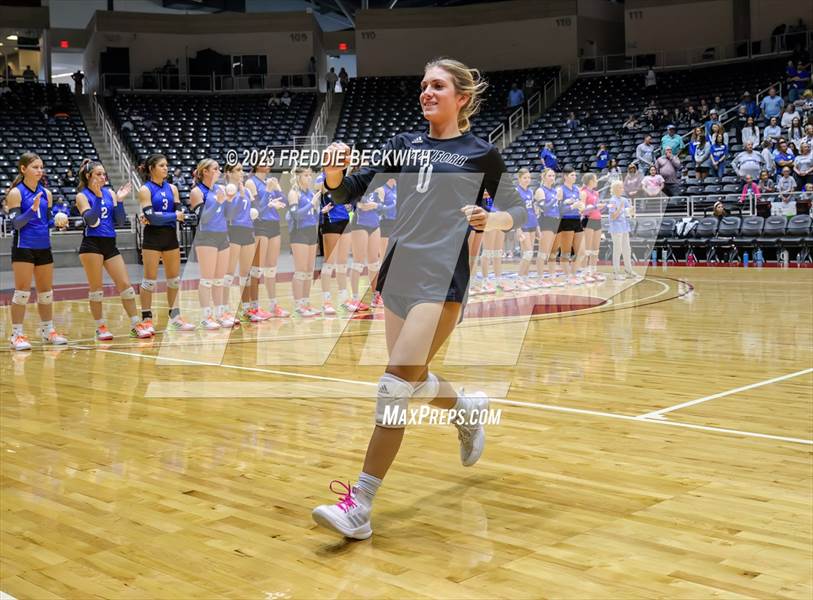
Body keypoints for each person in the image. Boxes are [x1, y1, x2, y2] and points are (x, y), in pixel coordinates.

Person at [311, 58, 525, 540]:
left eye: (438, 86)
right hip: (399, 273)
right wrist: (333, 173)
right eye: (423, 86)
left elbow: (518, 210)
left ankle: (359, 506)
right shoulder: (403, 146)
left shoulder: (480, 154)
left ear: (461, 97)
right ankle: (467, 410)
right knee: (413, 379)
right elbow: (349, 191)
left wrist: (493, 221)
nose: (427, 92)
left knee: (393, 388)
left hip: (442, 277)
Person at [74, 159, 149, 340]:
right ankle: (100, 326)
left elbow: (121, 221)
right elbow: (91, 221)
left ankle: (135, 324)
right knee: (96, 289)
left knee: (126, 286)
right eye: (98, 174)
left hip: (110, 244)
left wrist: (120, 201)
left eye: (103, 174)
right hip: (91, 244)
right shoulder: (82, 196)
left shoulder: (110, 193)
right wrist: (98, 197)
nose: (103, 177)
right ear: (88, 176)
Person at [6, 152, 68, 350]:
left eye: (41, 167)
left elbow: (45, 221)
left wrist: (58, 221)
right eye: (35, 167)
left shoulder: (47, 194)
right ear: (23, 169)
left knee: (46, 293)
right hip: (24, 247)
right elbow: (16, 223)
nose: (40, 171)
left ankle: (47, 330)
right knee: (22, 293)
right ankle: (16, 334)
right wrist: (31, 210)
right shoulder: (16, 193)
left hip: (44, 247)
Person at [137, 154, 195, 333]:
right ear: (151, 168)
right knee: (149, 282)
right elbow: (152, 217)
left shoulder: (172, 188)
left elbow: (179, 212)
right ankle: (147, 319)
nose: (166, 168)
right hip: (152, 237)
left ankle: (175, 316)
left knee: (174, 280)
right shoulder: (145, 189)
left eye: (166, 165)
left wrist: (172, 216)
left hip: (170, 236)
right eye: (162, 165)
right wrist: (169, 216)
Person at [189, 159, 231, 330]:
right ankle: (206, 316)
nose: (219, 171)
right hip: (206, 237)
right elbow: (203, 218)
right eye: (215, 169)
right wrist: (219, 203)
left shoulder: (220, 190)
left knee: (219, 280)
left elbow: (228, 214)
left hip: (223, 236)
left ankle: (220, 313)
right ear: (205, 171)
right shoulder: (197, 192)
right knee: (207, 279)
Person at [246, 163, 289, 319]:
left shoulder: (269, 181)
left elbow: (284, 201)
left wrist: (277, 188)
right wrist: (269, 192)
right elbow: (257, 209)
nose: (268, 165)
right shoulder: (251, 182)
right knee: (257, 270)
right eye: (264, 162)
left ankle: (273, 305)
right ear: (256, 165)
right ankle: (254, 307)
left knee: (271, 269)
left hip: (274, 225)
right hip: (260, 225)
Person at [223, 162, 257, 325]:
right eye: (238, 170)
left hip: (247, 231)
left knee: (246, 275)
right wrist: (240, 196)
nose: (241, 172)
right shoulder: (226, 190)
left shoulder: (248, 190)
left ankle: (246, 309)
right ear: (229, 173)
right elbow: (229, 214)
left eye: (242, 169)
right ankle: (225, 310)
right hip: (233, 230)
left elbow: (250, 211)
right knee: (228, 274)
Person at [315, 169, 353, 313]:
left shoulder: (342, 177)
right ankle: (326, 301)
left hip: (345, 219)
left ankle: (344, 300)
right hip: (331, 221)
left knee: (342, 264)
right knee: (329, 263)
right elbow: (319, 189)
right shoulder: (321, 178)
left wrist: (350, 202)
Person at [287, 166, 320, 317]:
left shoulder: (310, 193)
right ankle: (298, 305)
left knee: (308, 271)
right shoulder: (294, 193)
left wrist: (320, 210)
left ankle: (306, 302)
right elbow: (296, 216)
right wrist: (311, 204)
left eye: (310, 175)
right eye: (306, 175)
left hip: (311, 232)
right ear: (299, 177)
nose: (309, 178)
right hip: (298, 233)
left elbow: (311, 214)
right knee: (300, 271)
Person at [348, 180, 383, 310]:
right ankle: (355, 299)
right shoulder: (355, 183)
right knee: (358, 262)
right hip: (360, 224)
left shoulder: (377, 186)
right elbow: (350, 203)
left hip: (374, 224)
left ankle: (376, 296)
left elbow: (381, 205)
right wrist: (359, 205)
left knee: (374, 262)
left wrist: (376, 205)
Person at [533, 168, 561, 287]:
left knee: (553, 252)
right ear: (543, 177)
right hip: (546, 221)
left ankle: (552, 276)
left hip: (555, 220)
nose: (552, 178)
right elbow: (545, 208)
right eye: (549, 176)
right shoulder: (540, 190)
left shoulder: (554, 190)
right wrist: (556, 198)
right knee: (543, 251)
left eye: (553, 176)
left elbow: (557, 208)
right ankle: (540, 278)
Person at [556, 166, 583, 285]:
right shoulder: (560, 190)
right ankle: (567, 276)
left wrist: (581, 208)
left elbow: (580, 204)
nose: (575, 177)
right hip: (565, 221)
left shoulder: (577, 189)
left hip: (577, 220)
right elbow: (558, 209)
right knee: (566, 251)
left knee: (580, 251)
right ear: (565, 177)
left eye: (575, 175)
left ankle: (573, 273)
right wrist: (571, 206)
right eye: (572, 175)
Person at [514, 168, 538, 291]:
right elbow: (515, 211)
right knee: (527, 253)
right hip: (523, 225)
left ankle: (525, 278)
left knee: (529, 253)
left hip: (532, 223)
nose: (527, 180)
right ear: (519, 179)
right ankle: (519, 279)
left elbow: (533, 209)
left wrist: (538, 226)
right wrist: (517, 229)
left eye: (529, 178)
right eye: (525, 178)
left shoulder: (530, 191)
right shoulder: (516, 192)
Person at [579, 172, 604, 282]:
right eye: (595, 179)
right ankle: (585, 273)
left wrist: (602, 207)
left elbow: (596, 208)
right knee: (587, 250)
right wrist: (594, 207)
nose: (597, 181)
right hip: (588, 221)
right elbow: (582, 210)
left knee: (595, 250)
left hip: (597, 220)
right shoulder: (583, 193)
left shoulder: (596, 193)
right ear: (590, 181)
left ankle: (593, 271)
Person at [607, 181, 634, 280]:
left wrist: (632, 211)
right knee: (617, 250)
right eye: (619, 187)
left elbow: (629, 213)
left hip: (625, 227)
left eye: (622, 187)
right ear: (614, 189)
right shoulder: (612, 201)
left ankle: (629, 271)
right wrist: (621, 209)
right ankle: (616, 273)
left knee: (627, 250)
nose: (622, 189)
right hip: (616, 228)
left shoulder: (624, 199)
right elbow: (613, 216)